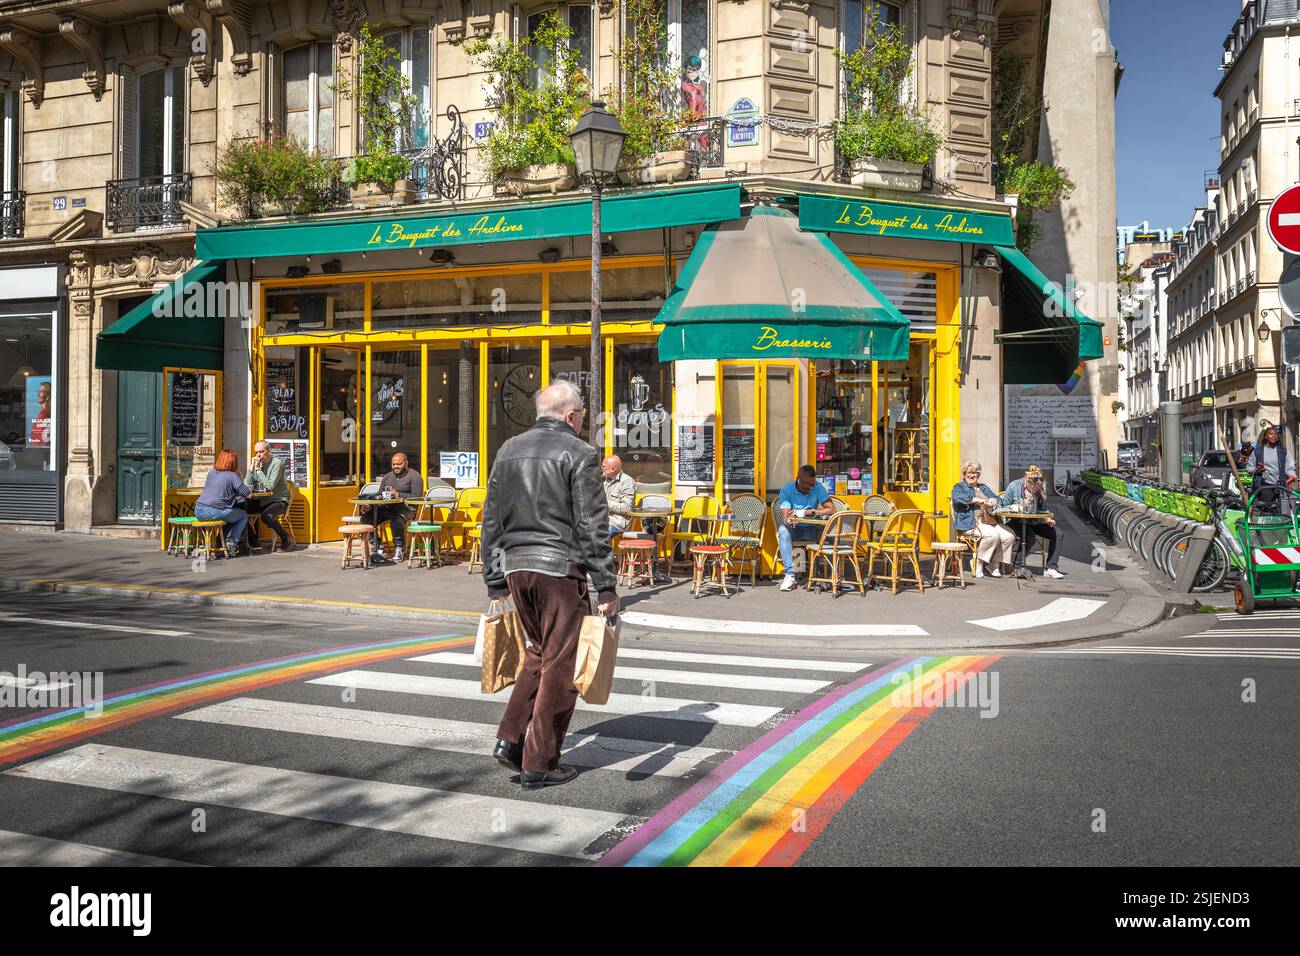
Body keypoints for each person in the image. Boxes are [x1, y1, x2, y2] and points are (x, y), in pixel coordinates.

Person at [482, 380, 618, 790]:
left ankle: (511, 738)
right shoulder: (579, 453)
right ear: (571, 416)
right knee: (561, 666)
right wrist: (606, 585)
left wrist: (493, 578)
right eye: (582, 417)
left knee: (539, 654)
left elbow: (491, 518)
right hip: (560, 570)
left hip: (515, 569)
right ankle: (539, 763)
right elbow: (591, 524)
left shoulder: (507, 450)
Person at [951, 461, 1015, 577]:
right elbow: (957, 498)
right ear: (964, 474)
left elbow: (998, 499)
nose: (971, 475)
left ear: (978, 475)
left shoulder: (983, 487)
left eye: (975, 473)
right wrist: (976, 500)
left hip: (988, 520)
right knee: (992, 535)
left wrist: (995, 500)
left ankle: (993, 564)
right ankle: (978, 563)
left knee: (1009, 536)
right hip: (971, 522)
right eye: (969, 473)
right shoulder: (959, 487)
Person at [776, 465, 835, 591]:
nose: (811, 487)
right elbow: (786, 514)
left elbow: (831, 509)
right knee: (783, 531)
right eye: (808, 484)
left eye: (813, 483)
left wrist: (811, 512)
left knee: (831, 536)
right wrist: (788, 519)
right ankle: (790, 575)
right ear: (799, 479)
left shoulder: (817, 487)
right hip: (795, 529)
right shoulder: (787, 489)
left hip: (812, 528)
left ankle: (830, 575)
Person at [1001, 464, 1065, 579]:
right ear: (1026, 480)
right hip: (1016, 521)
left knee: (1057, 533)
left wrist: (1048, 519)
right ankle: (1018, 566)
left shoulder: (1040, 489)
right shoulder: (1014, 486)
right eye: (1032, 486)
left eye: (1037, 488)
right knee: (1029, 536)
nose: (1034, 489)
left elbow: (1043, 509)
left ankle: (1051, 568)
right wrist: (1018, 507)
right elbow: (1003, 504)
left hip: (1035, 522)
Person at [363, 452, 424, 562]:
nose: (396, 466)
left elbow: (418, 498)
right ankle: (377, 546)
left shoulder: (415, 476)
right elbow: (379, 495)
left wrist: (398, 495)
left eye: (399, 464)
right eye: (394, 464)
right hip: (388, 507)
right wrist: (369, 506)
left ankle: (399, 547)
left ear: (406, 463)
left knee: (396, 519)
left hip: (407, 509)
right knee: (366, 518)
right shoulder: (387, 477)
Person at [195, 449, 251, 558]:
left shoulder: (211, 473)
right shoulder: (232, 475)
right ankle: (232, 542)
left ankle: (219, 544)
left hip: (198, 510)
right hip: (213, 511)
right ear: (233, 463)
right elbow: (247, 494)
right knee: (243, 515)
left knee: (229, 517)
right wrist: (239, 476)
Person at [243, 440, 292, 552]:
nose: (258, 455)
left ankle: (285, 538)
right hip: (262, 499)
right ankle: (253, 540)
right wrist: (251, 468)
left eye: (261, 451)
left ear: (269, 451)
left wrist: (259, 471)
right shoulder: (257, 465)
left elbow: (270, 486)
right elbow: (247, 485)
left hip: (279, 500)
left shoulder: (277, 463)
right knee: (240, 510)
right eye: (256, 452)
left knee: (267, 516)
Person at [1252, 425, 1296, 515]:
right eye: (1271, 434)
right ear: (1266, 436)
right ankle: (1266, 527)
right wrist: (1257, 470)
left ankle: (1279, 527)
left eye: (1275, 434)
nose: (1274, 436)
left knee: (1281, 510)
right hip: (1265, 486)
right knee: (1267, 510)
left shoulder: (1283, 451)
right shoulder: (1258, 451)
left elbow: (1289, 467)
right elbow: (1249, 467)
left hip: (1281, 486)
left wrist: (1292, 476)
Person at [601, 455, 637, 540]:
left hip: (616, 521)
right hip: (601, 519)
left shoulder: (627, 482)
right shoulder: (603, 479)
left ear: (613, 469)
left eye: (604, 467)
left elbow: (627, 508)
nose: (602, 469)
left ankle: (600, 553)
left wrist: (604, 503)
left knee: (599, 538)